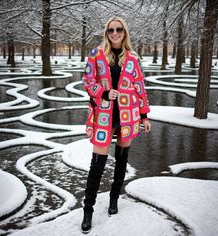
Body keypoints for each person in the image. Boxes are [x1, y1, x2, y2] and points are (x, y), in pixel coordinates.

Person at [81, 16, 151, 233]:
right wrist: (102, 92)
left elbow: (139, 87)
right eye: (111, 30)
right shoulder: (96, 55)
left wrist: (144, 115)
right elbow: (87, 80)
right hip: (103, 115)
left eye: (119, 29)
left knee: (121, 162)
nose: (115, 33)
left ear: (125, 32)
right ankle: (88, 210)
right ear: (106, 32)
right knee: (97, 165)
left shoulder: (133, 58)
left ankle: (114, 200)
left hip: (128, 116)